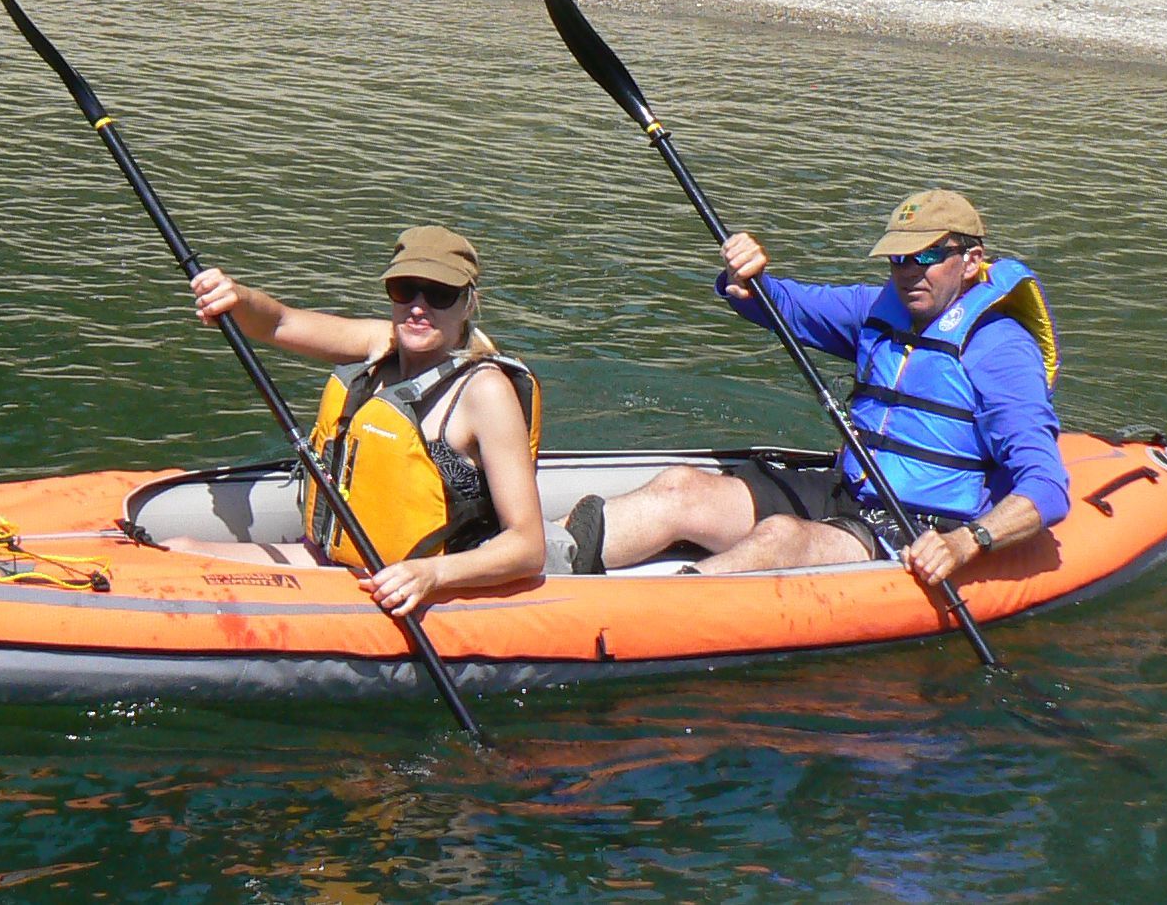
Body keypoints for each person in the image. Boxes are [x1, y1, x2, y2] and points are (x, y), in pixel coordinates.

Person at [565, 189, 1068, 585]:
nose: (908, 273)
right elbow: (776, 301)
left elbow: (1045, 487)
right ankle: (547, 557)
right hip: (847, 489)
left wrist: (968, 542)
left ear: (971, 259)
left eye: (928, 256)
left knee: (780, 537)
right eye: (898, 259)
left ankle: (647, 609)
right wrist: (744, 275)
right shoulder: (876, 310)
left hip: (919, 523)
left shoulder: (1002, 351)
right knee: (681, 486)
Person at [168, 226, 549, 617]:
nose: (418, 307)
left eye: (439, 294)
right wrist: (237, 297)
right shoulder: (380, 343)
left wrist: (430, 574)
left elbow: (527, 546)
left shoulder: (485, 392)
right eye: (405, 289)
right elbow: (278, 323)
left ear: (468, 303)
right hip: (336, 563)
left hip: (422, 585)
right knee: (181, 551)